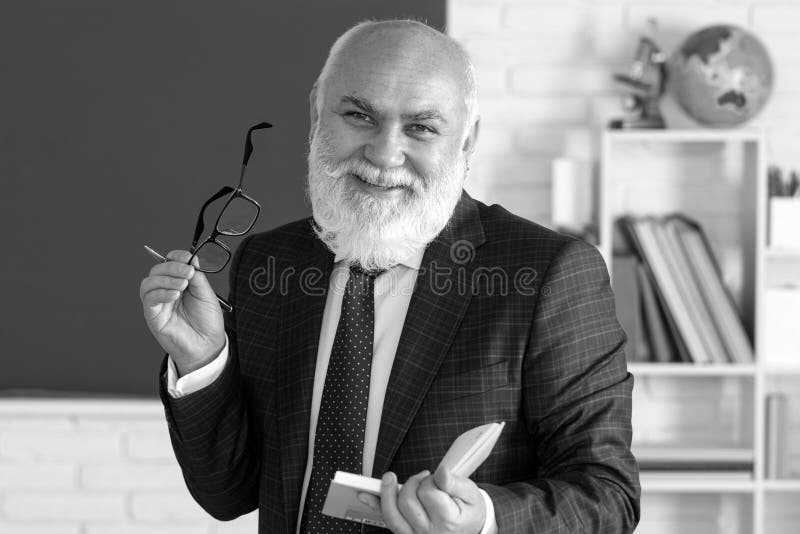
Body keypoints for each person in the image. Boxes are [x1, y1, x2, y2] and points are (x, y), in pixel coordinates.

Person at [139, 19, 640, 534]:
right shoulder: (268, 262)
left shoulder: (549, 272)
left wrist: (484, 520)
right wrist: (201, 361)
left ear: (466, 142)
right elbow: (229, 493)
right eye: (359, 115)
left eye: (421, 127)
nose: (383, 154)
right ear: (317, 114)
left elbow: (606, 495)